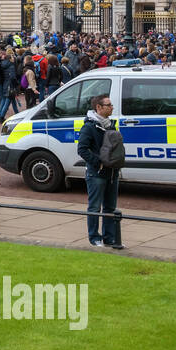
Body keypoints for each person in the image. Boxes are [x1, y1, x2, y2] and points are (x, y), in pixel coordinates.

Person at [77, 94, 124, 249]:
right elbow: (82, 149)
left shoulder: (110, 125)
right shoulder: (89, 127)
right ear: (99, 107)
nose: (112, 107)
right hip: (96, 173)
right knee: (95, 207)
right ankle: (94, 238)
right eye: (109, 105)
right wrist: (99, 163)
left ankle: (109, 238)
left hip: (112, 173)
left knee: (110, 208)